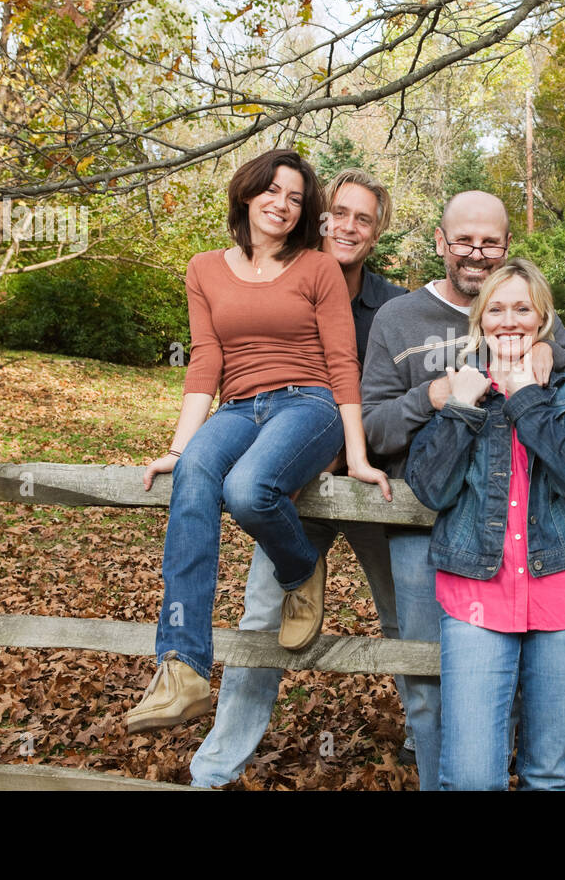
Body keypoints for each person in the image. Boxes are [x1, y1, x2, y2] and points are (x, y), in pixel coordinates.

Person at [126, 149, 390, 735]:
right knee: (194, 475)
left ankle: (300, 572)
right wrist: (179, 445)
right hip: (239, 406)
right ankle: (183, 669)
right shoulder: (204, 269)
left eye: (297, 198)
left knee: (249, 489)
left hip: (309, 403)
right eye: (273, 190)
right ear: (247, 193)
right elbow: (206, 361)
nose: (283, 205)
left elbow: (344, 363)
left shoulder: (318, 269)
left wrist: (359, 455)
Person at [361, 190, 565, 790]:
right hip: (453, 547)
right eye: (464, 240)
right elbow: (378, 434)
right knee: (443, 708)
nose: (476, 252)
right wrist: (442, 399)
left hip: (552, 562)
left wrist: (532, 375)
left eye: (490, 241)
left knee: (538, 748)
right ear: (441, 241)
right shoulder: (401, 321)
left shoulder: (550, 348)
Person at [189, 167, 412, 786]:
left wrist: (355, 448)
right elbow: (241, 378)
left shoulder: (397, 307)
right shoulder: (275, 280)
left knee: (402, 615)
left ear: (376, 233)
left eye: (362, 219)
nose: (347, 226)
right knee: (263, 617)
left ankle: (429, 743)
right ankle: (215, 768)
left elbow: (403, 398)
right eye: (337, 213)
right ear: (319, 217)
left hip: (371, 486)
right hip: (294, 492)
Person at [404, 258, 565, 790]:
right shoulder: (459, 387)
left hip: (564, 588)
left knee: (547, 774)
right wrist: (463, 409)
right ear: (480, 318)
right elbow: (431, 490)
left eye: (523, 308)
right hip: (476, 589)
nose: (509, 319)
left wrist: (525, 399)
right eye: (496, 308)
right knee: (471, 776)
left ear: (542, 319)